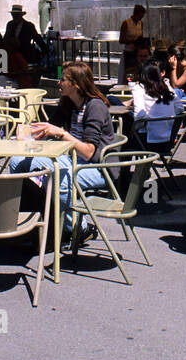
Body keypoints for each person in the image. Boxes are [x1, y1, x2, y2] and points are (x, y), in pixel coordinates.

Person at [12, 61, 117, 239]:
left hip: (98, 167)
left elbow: (89, 152)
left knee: (57, 177)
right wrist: (27, 132)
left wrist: (61, 133)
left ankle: (78, 228)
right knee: (17, 162)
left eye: (63, 79)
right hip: (71, 160)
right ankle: (27, 217)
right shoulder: (68, 104)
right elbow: (48, 128)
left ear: (75, 84)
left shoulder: (95, 106)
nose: (58, 83)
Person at [127, 61, 183, 148]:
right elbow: (180, 108)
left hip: (147, 142)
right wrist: (165, 115)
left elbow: (139, 115)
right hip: (168, 140)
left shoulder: (139, 88)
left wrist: (152, 119)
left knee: (124, 130)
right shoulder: (166, 86)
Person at [119, 5, 146, 74]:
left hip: (138, 51)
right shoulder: (126, 23)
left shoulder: (141, 23)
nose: (141, 18)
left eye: (142, 16)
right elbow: (121, 40)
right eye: (140, 16)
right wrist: (132, 41)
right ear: (135, 14)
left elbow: (141, 36)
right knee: (130, 71)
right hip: (129, 52)